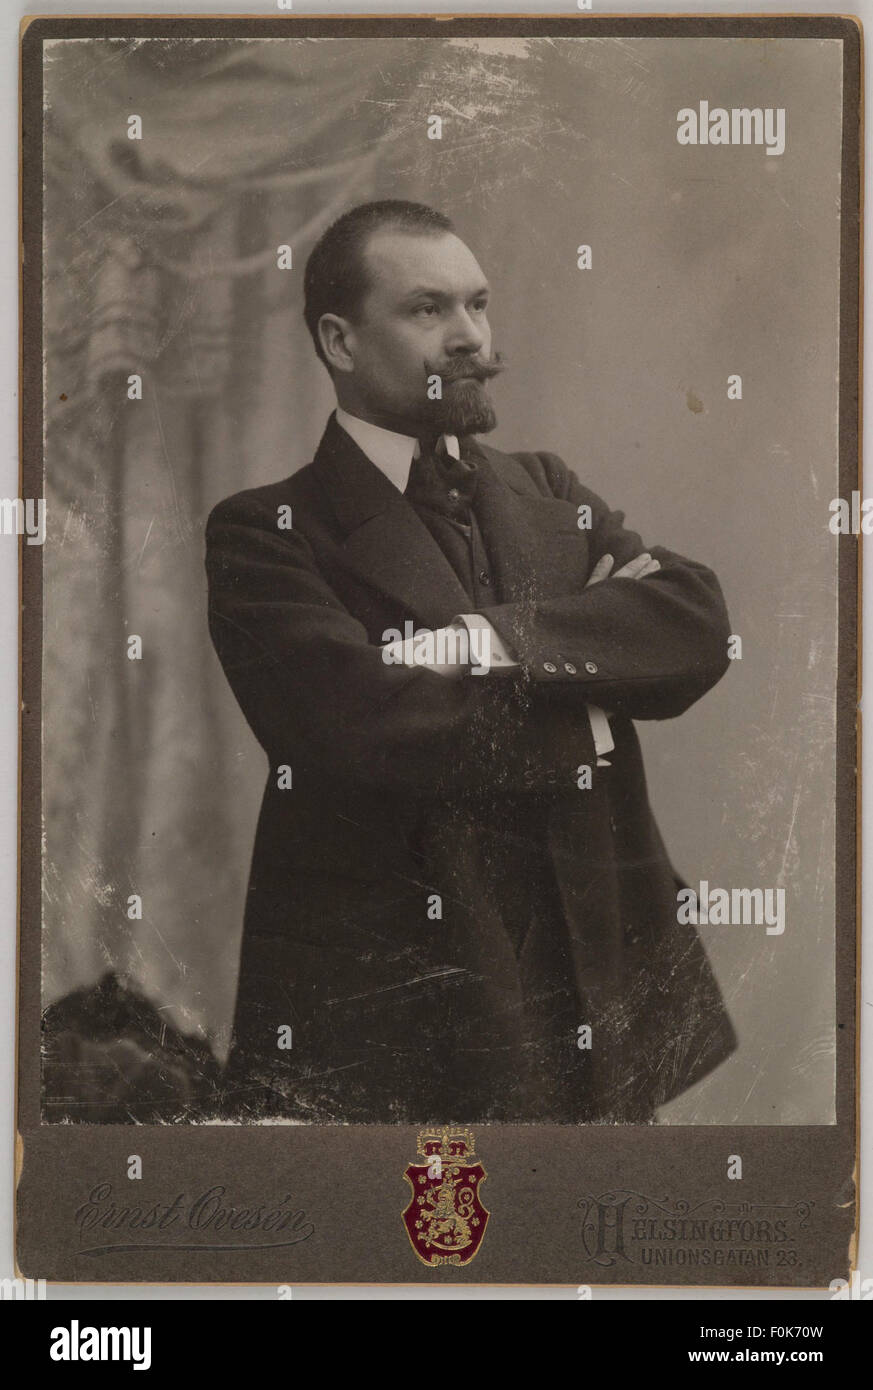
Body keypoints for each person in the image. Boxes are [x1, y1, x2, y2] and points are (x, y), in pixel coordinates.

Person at [205, 199, 737, 1124]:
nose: (469, 335)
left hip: (592, 974)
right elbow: (365, 726)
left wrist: (491, 643)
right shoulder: (267, 531)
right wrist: (593, 703)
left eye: (478, 304)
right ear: (338, 339)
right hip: (402, 1005)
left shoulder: (547, 488)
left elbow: (690, 622)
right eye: (427, 310)